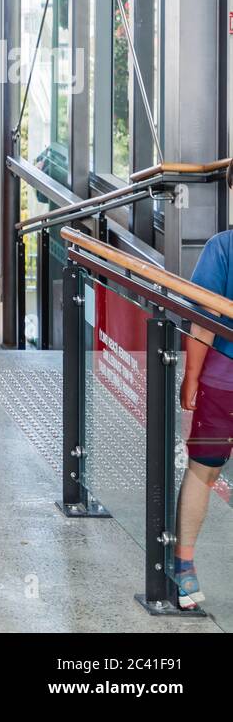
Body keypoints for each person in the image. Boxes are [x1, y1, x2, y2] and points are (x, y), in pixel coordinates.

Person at [174, 171, 233, 609]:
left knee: (204, 471)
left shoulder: (222, 247)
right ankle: (183, 565)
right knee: (203, 469)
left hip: (220, 380)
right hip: (222, 382)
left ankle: (184, 567)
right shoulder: (222, 247)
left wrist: (191, 378)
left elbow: (203, 324)